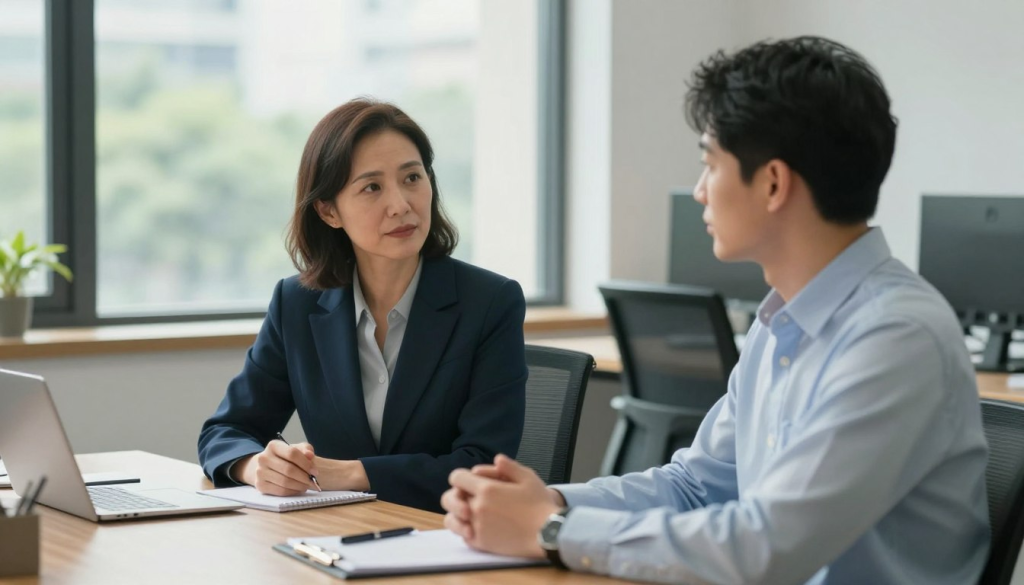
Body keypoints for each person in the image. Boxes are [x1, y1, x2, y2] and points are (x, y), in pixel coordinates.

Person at [441, 36, 990, 584]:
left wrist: (552, 529)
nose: (700, 191)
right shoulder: (779, 324)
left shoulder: (896, 337)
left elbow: (767, 547)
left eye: (710, 164)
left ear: (773, 183)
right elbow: (696, 486)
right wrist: (546, 501)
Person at [199, 98, 527, 513]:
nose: (401, 204)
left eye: (412, 177)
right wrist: (254, 466)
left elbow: (483, 465)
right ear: (329, 210)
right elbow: (226, 430)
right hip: (336, 538)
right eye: (372, 187)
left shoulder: (490, 303)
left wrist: (355, 474)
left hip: (444, 540)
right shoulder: (297, 304)